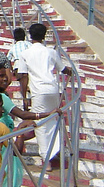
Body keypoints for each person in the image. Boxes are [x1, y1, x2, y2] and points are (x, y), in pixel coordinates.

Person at [16, 23, 73, 165]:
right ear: (44, 36)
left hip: (38, 92)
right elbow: (63, 69)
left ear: (30, 35)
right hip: (53, 90)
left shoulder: (25, 54)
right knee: (53, 120)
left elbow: (23, 76)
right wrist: (71, 72)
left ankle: (46, 159)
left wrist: (24, 97)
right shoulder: (51, 52)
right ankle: (55, 152)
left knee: (40, 124)